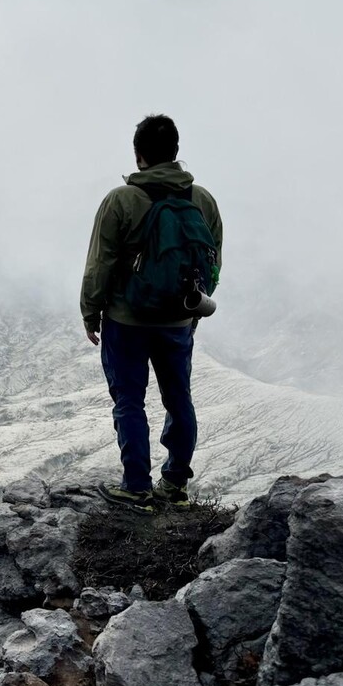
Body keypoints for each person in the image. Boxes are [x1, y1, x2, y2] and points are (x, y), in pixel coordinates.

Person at [80, 114, 223, 513]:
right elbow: (213, 263)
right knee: (179, 399)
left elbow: (100, 263)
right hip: (178, 321)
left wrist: (91, 311)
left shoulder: (121, 201)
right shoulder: (203, 200)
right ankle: (175, 485)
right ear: (176, 152)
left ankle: (136, 488)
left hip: (127, 321)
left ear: (138, 155)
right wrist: (193, 307)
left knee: (129, 401)